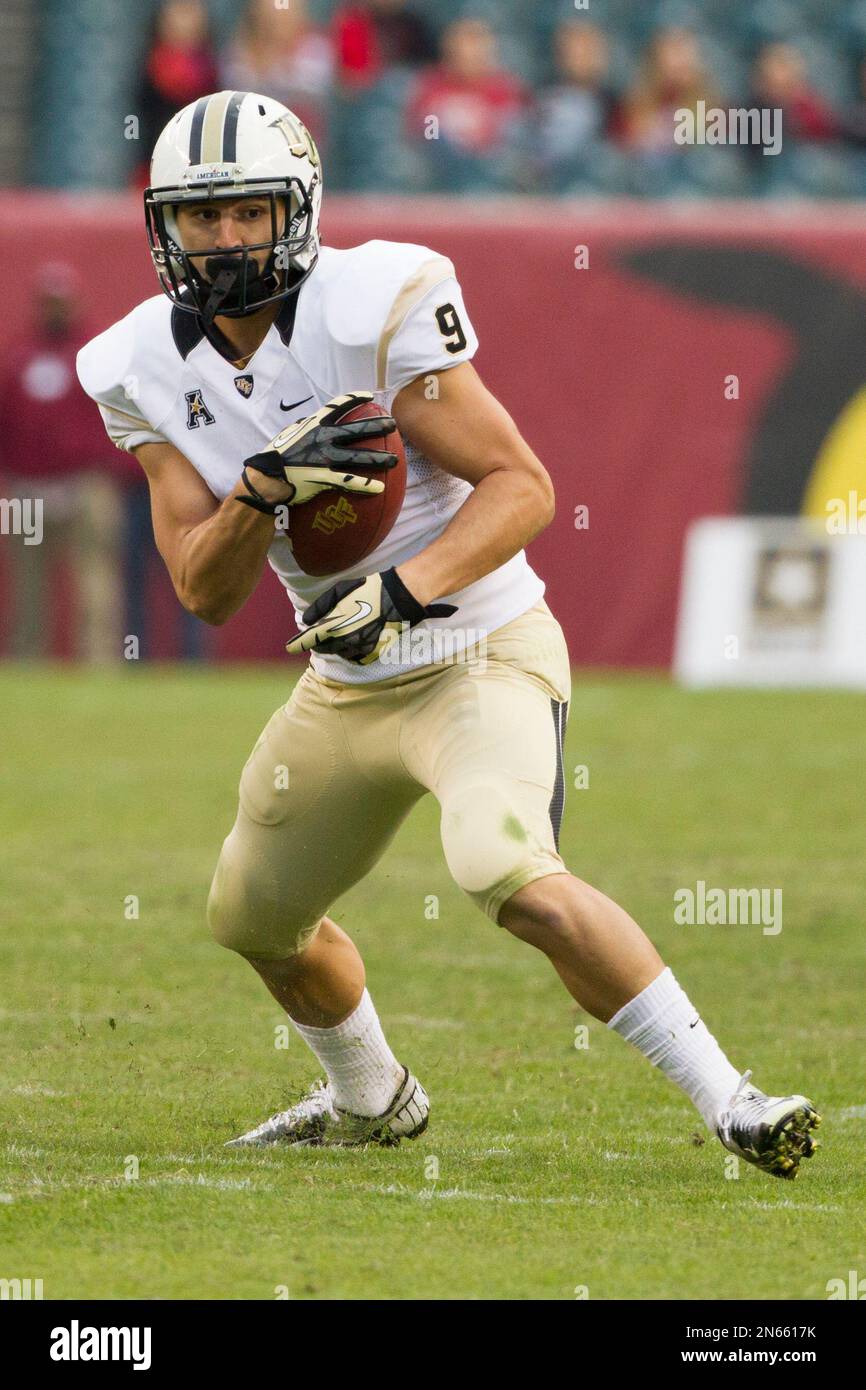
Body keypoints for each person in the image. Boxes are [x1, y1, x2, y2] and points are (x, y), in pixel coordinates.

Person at [77, 90, 820, 1176]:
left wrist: (405, 588)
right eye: (201, 216)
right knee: (250, 914)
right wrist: (256, 492)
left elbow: (520, 486)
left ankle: (733, 1100)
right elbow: (204, 591)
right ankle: (370, 1096)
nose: (226, 237)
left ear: (297, 208)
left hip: (476, 645)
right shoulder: (137, 362)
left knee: (502, 866)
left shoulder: (369, 304)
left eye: (247, 210)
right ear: (164, 226)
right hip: (344, 683)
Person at [0, 263, 122, 661]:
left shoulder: (93, 354)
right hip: (26, 489)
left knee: (94, 581)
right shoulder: (17, 355)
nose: (55, 310)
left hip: (85, 483)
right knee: (27, 584)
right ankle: (26, 663)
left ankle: (99, 664)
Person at [405, 18, 528, 192]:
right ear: (449, 50)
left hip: (490, 173)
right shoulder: (430, 87)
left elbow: (510, 139)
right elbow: (424, 135)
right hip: (441, 172)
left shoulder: (505, 90)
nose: (468, 54)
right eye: (461, 47)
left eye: (476, 46)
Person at [220, 0, 333, 150]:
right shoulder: (238, 55)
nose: (281, 12)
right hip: (254, 146)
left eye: (287, 6)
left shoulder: (316, 48)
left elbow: (314, 103)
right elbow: (239, 106)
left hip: (309, 146)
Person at [134, 0, 219, 187]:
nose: (183, 23)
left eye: (189, 13)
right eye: (178, 13)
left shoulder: (215, 70)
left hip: (204, 169)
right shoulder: (148, 68)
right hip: (154, 167)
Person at [536, 20, 621, 191]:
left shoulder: (614, 101)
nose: (580, 58)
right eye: (574, 51)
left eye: (588, 51)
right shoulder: (543, 96)